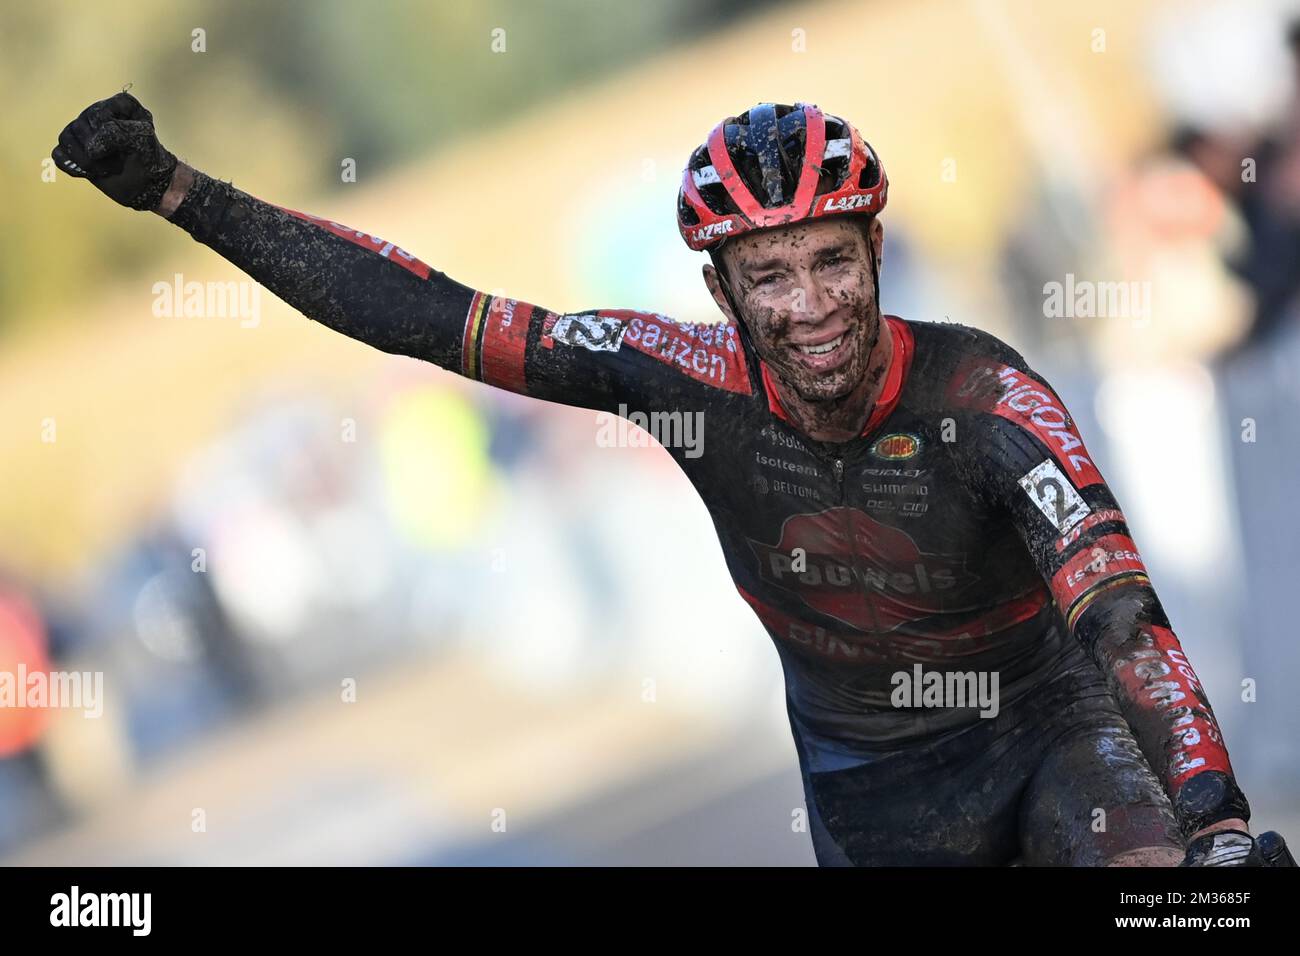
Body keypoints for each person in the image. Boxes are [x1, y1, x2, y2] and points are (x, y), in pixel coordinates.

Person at [52, 94, 1294, 866]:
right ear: (719, 290)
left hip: (1050, 731)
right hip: (875, 791)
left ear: (875, 250)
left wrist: (1216, 813)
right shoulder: (670, 370)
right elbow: (425, 315)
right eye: (769, 276)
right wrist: (181, 195)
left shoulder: (983, 393)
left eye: (830, 261)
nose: (810, 307)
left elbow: (1119, 615)